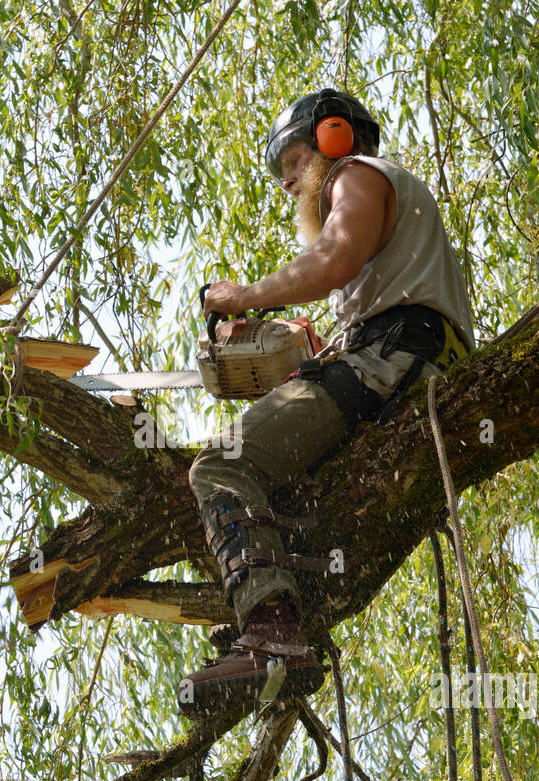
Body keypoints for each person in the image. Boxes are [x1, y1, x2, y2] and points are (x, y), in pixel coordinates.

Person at [178, 88, 478, 720]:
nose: (289, 184)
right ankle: (285, 602)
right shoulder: (394, 218)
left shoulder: (358, 175)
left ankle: (270, 631)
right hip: (400, 360)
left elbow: (333, 258)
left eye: (292, 163)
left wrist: (244, 296)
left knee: (220, 465)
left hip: (392, 362)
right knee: (290, 493)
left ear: (335, 138)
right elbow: (357, 278)